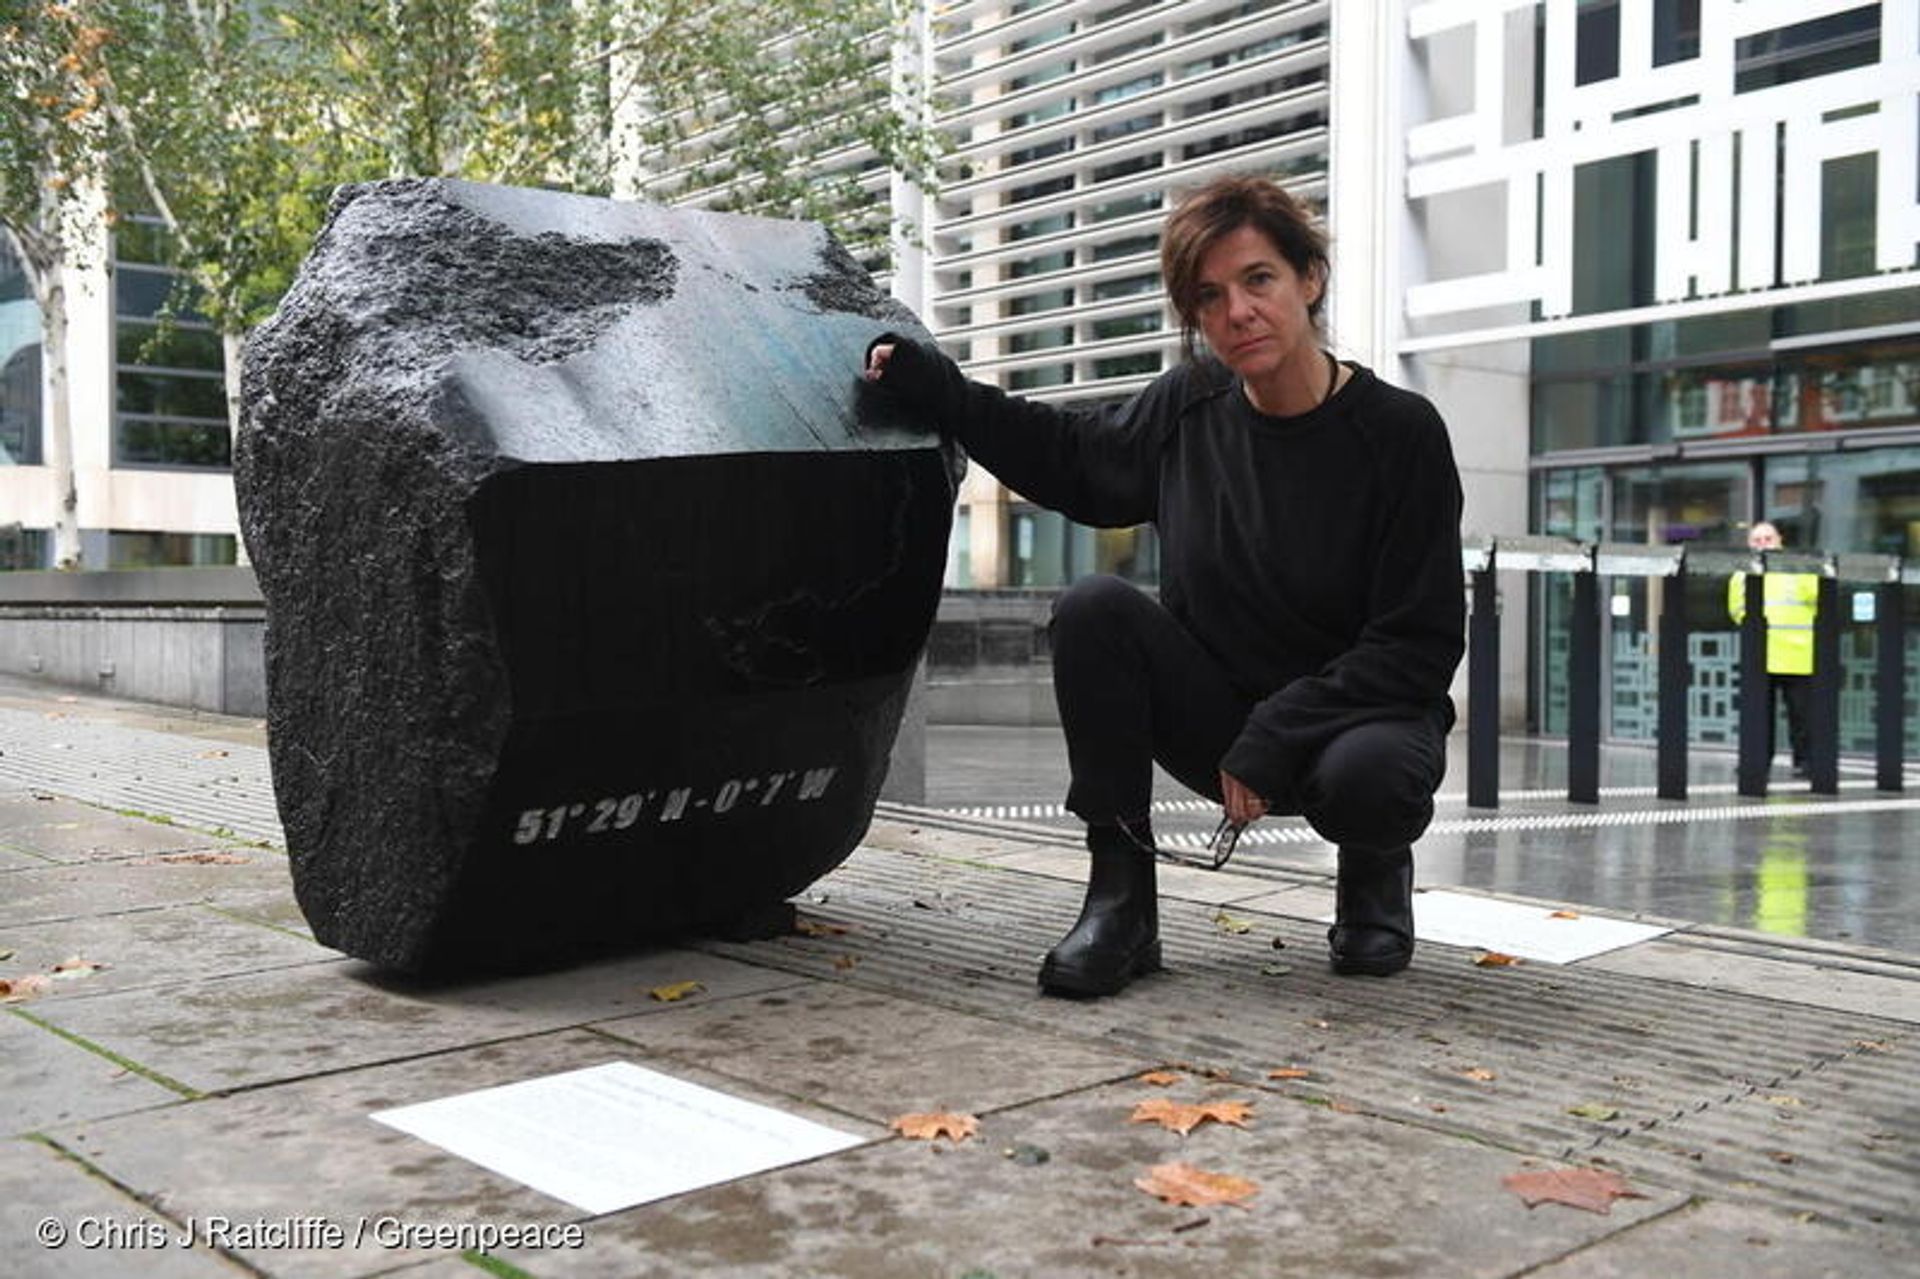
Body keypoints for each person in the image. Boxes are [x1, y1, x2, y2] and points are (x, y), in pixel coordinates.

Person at [863, 175, 1465, 997]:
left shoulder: (1400, 432)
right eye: (1209, 297)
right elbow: (1075, 457)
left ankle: (1373, 871)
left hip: (1353, 725)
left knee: (1372, 778)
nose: (1238, 312)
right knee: (1094, 609)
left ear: (1309, 279)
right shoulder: (1190, 406)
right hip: (1221, 714)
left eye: (1258, 279)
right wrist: (942, 391)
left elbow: (1418, 642)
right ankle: (1121, 902)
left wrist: (1279, 729)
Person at [1727, 521, 1819, 777]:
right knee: (1759, 716)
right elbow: (1735, 610)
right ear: (1749, 544)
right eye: (1757, 540)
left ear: (1780, 540)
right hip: (1762, 655)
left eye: (1768, 539)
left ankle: (1807, 763)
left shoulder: (1799, 568)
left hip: (1798, 654)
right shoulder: (1741, 574)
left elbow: (1818, 599)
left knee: (1803, 716)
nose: (1763, 544)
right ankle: (1757, 762)